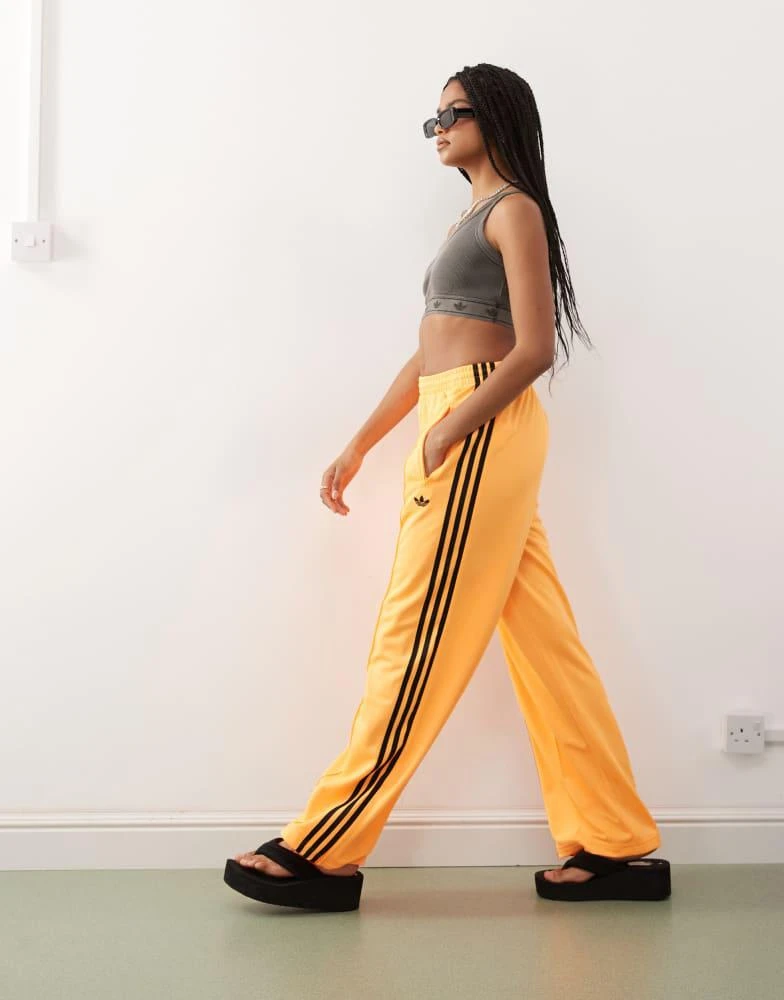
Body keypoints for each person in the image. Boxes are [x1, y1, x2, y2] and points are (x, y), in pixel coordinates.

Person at [224, 63, 669, 910]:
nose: (438, 130)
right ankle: (612, 842)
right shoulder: (470, 216)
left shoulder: (515, 211)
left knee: (414, 632)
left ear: (494, 116)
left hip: (476, 424)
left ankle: (324, 847)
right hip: (459, 416)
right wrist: (362, 442)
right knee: (544, 642)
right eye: (431, 119)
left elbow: (533, 349)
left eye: (452, 114)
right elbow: (429, 349)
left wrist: (448, 429)